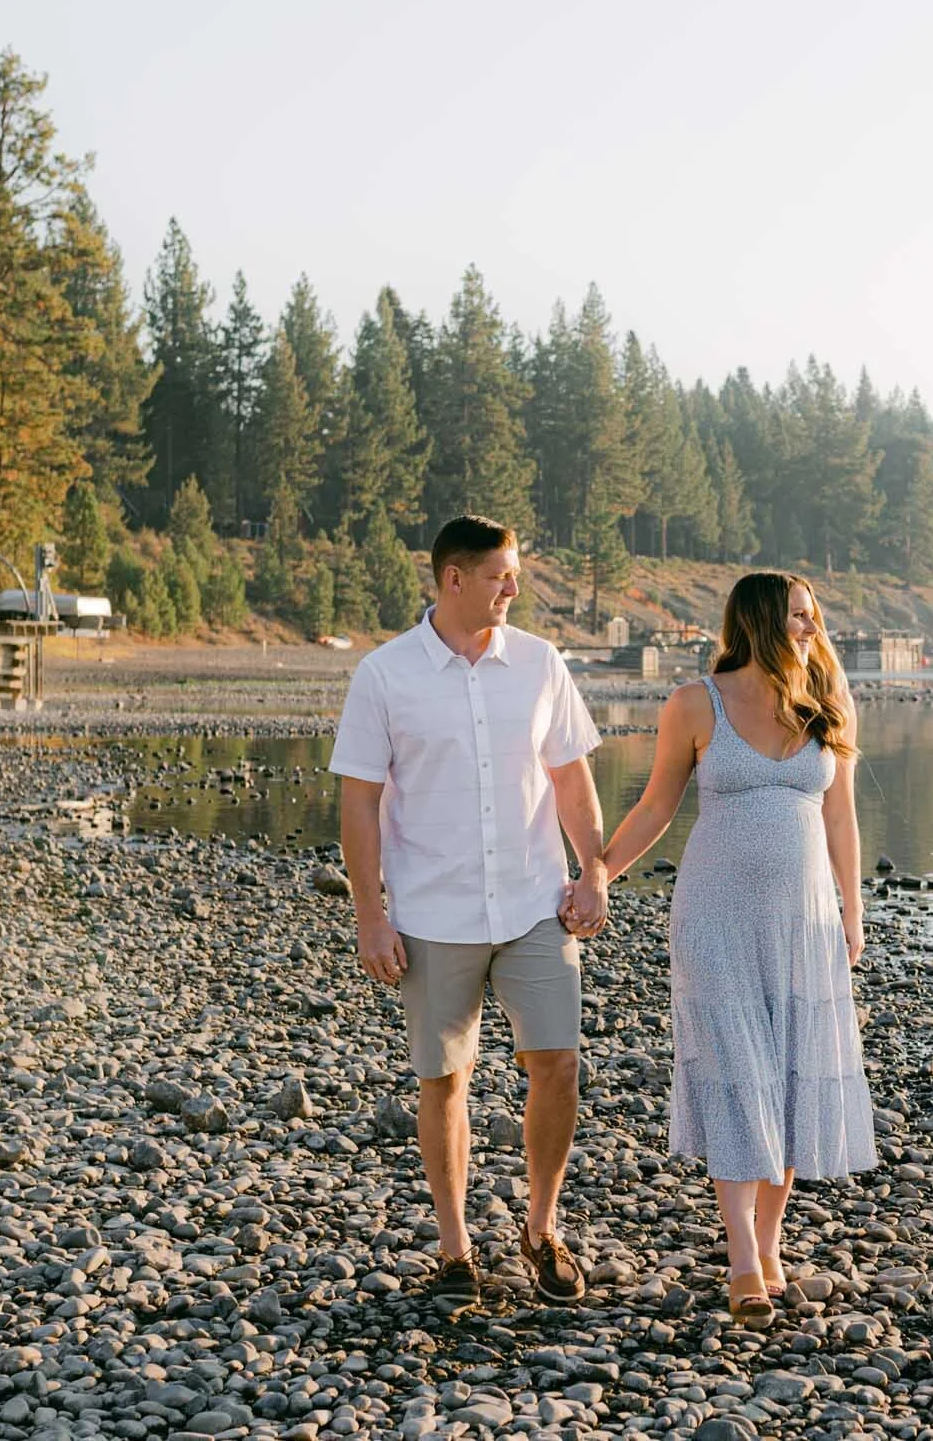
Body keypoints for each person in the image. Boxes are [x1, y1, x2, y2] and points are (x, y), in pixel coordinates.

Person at [329, 515, 609, 1313]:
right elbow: (359, 802)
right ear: (452, 579)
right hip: (430, 911)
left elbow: (571, 779)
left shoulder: (540, 664)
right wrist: (369, 916)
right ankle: (455, 1252)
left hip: (533, 903)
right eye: (500, 576)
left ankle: (540, 1230)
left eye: (514, 574)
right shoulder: (384, 675)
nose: (514, 588)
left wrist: (592, 871)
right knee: (443, 1078)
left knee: (556, 1063)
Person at [600, 571, 876, 1327]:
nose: (808, 629)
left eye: (812, 616)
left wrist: (852, 913)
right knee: (737, 1076)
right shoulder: (696, 703)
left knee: (789, 1074)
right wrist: (597, 873)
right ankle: (742, 1259)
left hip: (804, 919)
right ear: (756, 618)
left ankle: (769, 1241)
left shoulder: (825, 705)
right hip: (715, 916)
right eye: (796, 616)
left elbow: (841, 821)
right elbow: (657, 802)